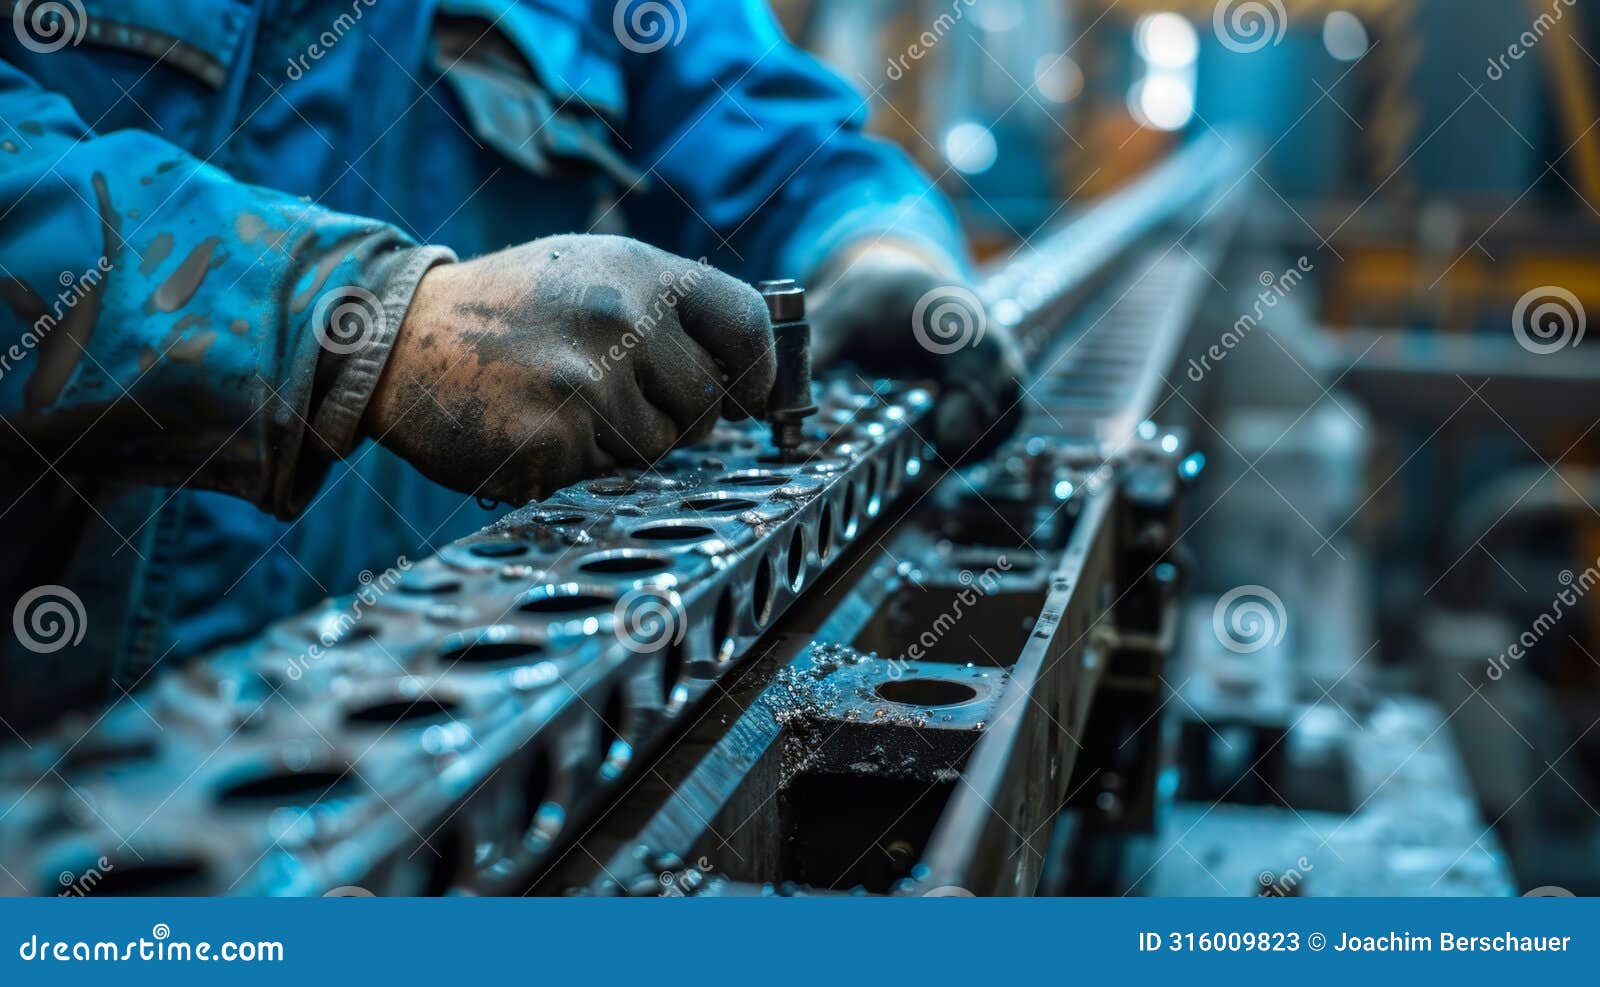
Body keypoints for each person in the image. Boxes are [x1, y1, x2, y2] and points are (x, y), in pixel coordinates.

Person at [0, 0, 1019, 729]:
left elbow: (769, 133)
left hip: (427, 712)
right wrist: (366, 325)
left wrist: (876, 245)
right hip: (49, 752)